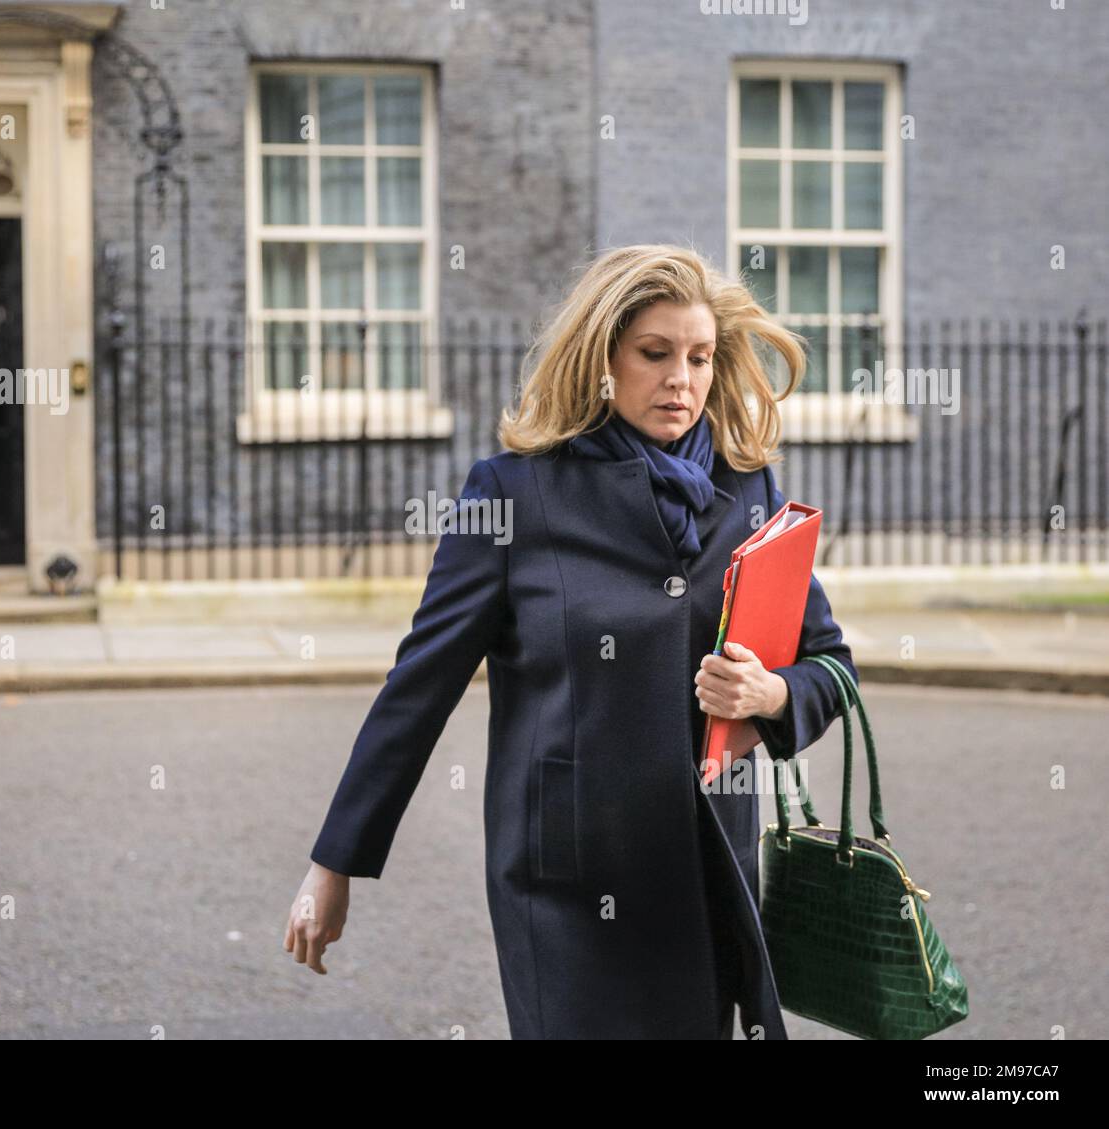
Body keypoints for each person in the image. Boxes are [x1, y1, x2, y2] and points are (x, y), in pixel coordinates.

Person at [283, 244, 859, 1039]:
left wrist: (772, 694)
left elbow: (831, 664)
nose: (681, 379)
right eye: (654, 355)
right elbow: (419, 685)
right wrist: (334, 860)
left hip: (701, 872)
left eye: (698, 357)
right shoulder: (514, 493)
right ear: (602, 359)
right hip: (565, 882)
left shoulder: (747, 490)